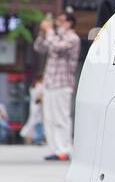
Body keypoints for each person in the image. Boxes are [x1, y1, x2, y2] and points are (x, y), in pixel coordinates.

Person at [33, 11, 81, 161]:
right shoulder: (55, 36)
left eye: (61, 21)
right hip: (50, 83)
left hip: (62, 84)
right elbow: (39, 47)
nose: (57, 23)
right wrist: (43, 32)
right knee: (49, 118)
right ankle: (55, 149)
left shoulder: (73, 38)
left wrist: (49, 31)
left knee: (61, 118)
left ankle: (64, 149)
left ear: (69, 23)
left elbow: (57, 47)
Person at [19, 78, 45, 145]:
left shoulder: (33, 87)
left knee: (34, 122)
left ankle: (35, 138)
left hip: (33, 106)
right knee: (38, 122)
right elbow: (39, 98)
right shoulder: (40, 86)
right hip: (38, 107)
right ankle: (38, 138)